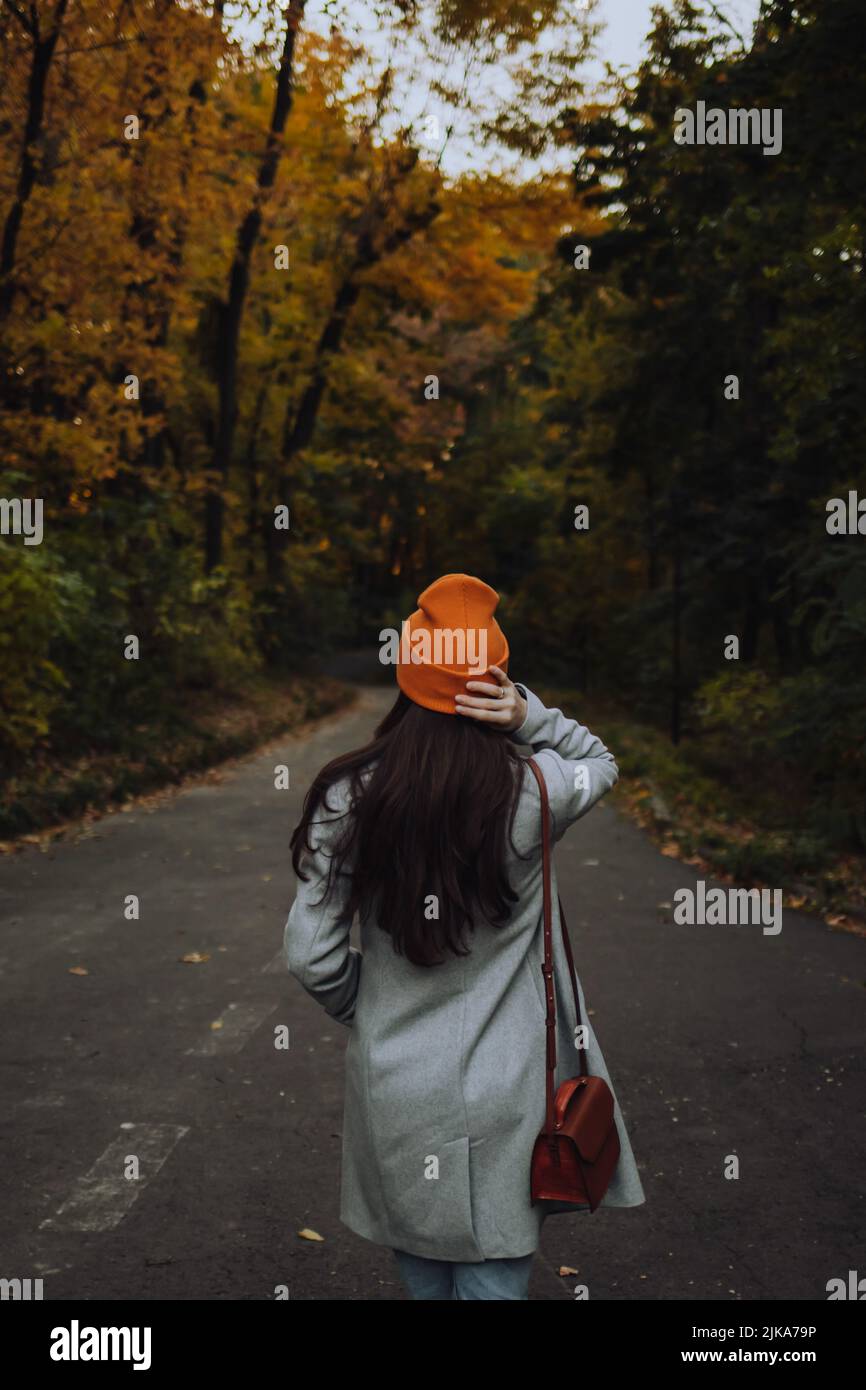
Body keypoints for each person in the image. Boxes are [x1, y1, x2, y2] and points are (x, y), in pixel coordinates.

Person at [284, 573, 645, 1300]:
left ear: (408, 676)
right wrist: (526, 715)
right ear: (490, 680)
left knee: (422, 1270)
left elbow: (310, 955)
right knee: (494, 1278)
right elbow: (601, 760)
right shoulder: (534, 792)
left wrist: (373, 1009)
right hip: (509, 1090)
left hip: (398, 1087)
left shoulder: (347, 795)